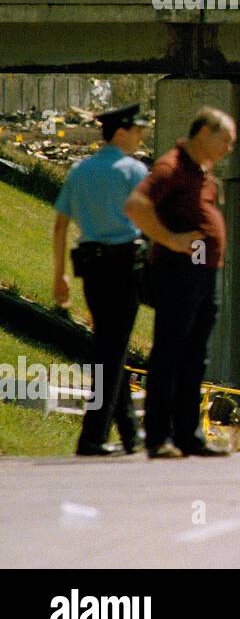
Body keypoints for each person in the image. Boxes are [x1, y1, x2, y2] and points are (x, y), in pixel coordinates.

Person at [125, 107, 235, 458]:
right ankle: (158, 437)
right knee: (169, 353)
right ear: (204, 131)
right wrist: (170, 239)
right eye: (226, 140)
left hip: (203, 271)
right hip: (178, 273)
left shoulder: (203, 172)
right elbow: (137, 204)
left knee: (195, 355)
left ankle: (189, 435)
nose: (229, 148)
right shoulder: (171, 166)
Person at [52, 104, 151, 456]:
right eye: (138, 130)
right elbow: (150, 218)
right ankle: (92, 437)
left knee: (111, 344)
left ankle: (130, 434)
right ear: (121, 132)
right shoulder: (133, 171)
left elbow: (61, 224)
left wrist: (59, 274)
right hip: (125, 266)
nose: (142, 136)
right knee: (111, 347)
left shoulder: (79, 171)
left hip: (91, 268)